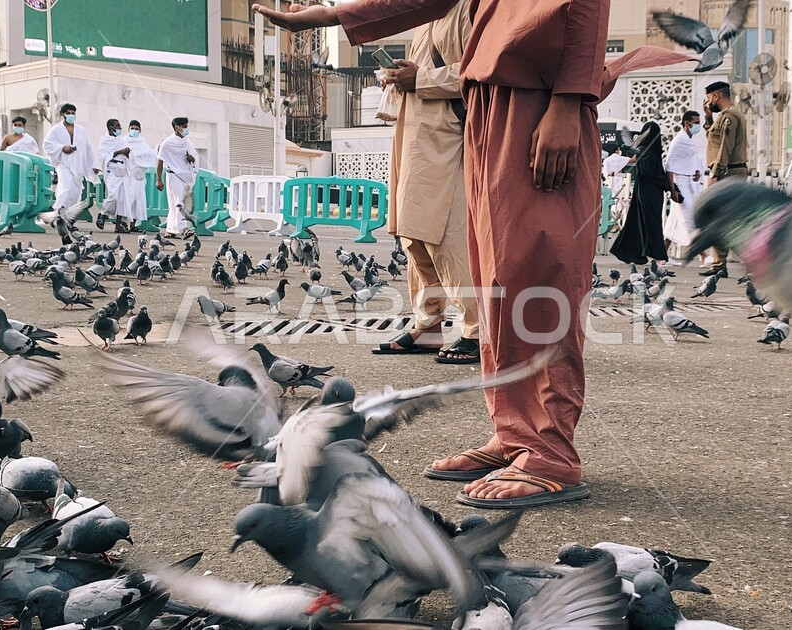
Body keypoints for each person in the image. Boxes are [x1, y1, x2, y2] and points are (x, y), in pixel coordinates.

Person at [256, 0, 606, 507]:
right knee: (496, 277)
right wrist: (330, 18)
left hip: (539, 94)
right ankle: (516, 433)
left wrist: (569, 100)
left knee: (540, 272)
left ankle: (551, 450)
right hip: (490, 101)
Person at [370, 0, 480, 365]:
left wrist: (420, 79)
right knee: (411, 231)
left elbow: (482, 72)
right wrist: (397, 77)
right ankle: (429, 323)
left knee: (444, 234)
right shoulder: (427, 13)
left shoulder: (472, 7)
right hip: (414, 131)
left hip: (446, 136)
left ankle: (477, 330)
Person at [700, 81, 748, 278]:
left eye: (710, 97)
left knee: (728, 220)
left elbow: (724, 148)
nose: (708, 101)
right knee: (720, 220)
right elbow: (716, 140)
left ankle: (752, 263)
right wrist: (708, 118)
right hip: (729, 172)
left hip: (728, 173)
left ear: (716, 96)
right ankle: (719, 264)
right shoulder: (725, 116)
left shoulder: (729, 116)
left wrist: (715, 174)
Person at [609, 121, 671, 265]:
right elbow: (649, 173)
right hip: (649, 193)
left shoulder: (649, 151)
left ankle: (631, 252)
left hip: (648, 192)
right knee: (652, 223)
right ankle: (659, 256)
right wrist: (666, 184)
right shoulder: (646, 151)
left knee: (641, 223)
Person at [42, 103, 97, 224]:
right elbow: (47, 144)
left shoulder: (81, 131)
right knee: (65, 187)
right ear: (63, 114)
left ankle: (68, 219)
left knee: (75, 191)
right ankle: (58, 214)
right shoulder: (56, 130)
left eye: (73, 113)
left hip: (78, 165)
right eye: (68, 113)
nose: (71, 115)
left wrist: (94, 165)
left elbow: (88, 148)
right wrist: (62, 147)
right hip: (64, 164)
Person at [663, 110, 705, 255]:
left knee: (673, 222)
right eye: (696, 123)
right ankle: (703, 255)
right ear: (687, 123)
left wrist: (696, 171)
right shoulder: (678, 141)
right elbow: (669, 166)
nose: (699, 126)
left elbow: (690, 160)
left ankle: (662, 255)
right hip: (679, 183)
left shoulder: (692, 140)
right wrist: (672, 190)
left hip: (691, 182)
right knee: (689, 216)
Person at [156, 117, 199, 239]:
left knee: (174, 204)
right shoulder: (167, 143)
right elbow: (160, 162)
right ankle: (183, 228)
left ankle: (170, 230)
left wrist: (192, 159)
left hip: (185, 176)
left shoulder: (187, 142)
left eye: (186, 126)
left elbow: (194, 156)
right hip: (174, 175)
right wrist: (159, 179)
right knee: (180, 202)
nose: (186, 129)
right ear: (177, 127)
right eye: (184, 126)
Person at [96, 119, 125, 229]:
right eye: (117, 126)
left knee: (122, 198)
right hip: (111, 170)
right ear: (110, 128)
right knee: (113, 196)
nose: (119, 128)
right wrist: (119, 152)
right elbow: (103, 156)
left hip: (122, 170)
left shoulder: (121, 140)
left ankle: (119, 225)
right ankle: (103, 214)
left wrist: (126, 153)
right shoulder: (105, 140)